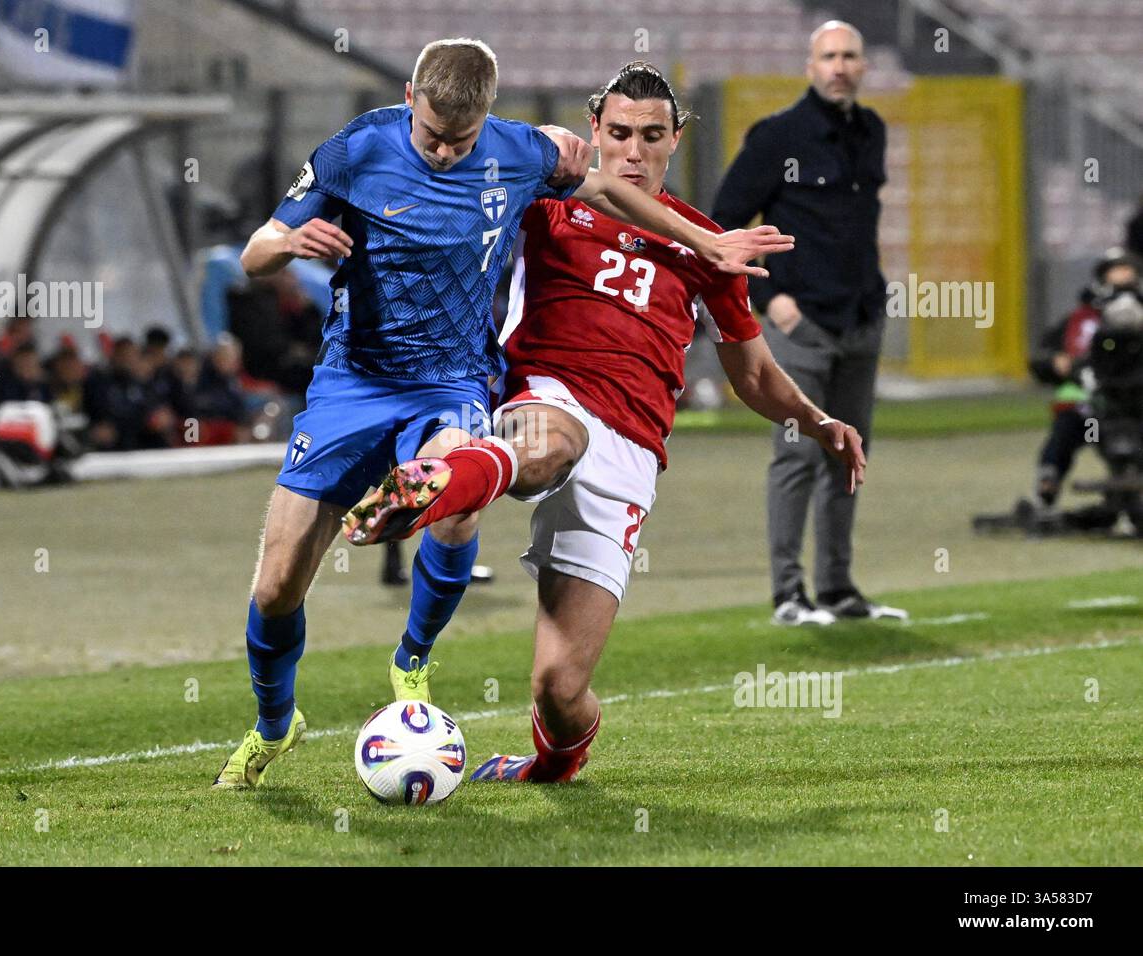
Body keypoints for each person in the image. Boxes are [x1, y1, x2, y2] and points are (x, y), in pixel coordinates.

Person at [212, 37, 792, 790]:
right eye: (432, 137)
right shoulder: (356, 147)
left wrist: (705, 240)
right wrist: (287, 243)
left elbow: (608, 191)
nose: (447, 153)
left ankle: (413, 658)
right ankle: (273, 723)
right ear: (412, 97)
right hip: (352, 382)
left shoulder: (520, 152)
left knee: (456, 494)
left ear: (486, 115)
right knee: (276, 586)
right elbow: (255, 250)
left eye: (462, 140)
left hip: (454, 378)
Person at [347, 61, 861, 782]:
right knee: (551, 440)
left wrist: (814, 418)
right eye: (618, 133)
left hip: (632, 450)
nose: (633, 151)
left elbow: (751, 373)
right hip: (547, 393)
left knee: (558, 690)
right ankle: (433, 483)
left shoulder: (706, 241)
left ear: (675, 138)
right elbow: (466, 157)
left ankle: (547, 769)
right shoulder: (546, 203)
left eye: (652, 136)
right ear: (594, 130)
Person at [711, 21, 905, 626]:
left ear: (864, 66)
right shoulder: (777, 136)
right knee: (796, 455)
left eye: (850, 55)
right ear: (810, 65)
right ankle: (789, 595)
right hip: (802, 323)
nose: (840, 66)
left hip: (861, 316)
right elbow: (723, 225)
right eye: (829, 56)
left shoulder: (871, 131)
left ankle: (840, 589)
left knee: (849, 452)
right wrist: (772, 302)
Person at [1029, 248, 1142, 508]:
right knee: (1069, 427)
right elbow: (1043, 359)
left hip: (1137, 411)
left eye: (1127, 270)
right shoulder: (1080, 320)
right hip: (1095, 416)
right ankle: (1049, 484)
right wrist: (1056, 363)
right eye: (1116, 270)